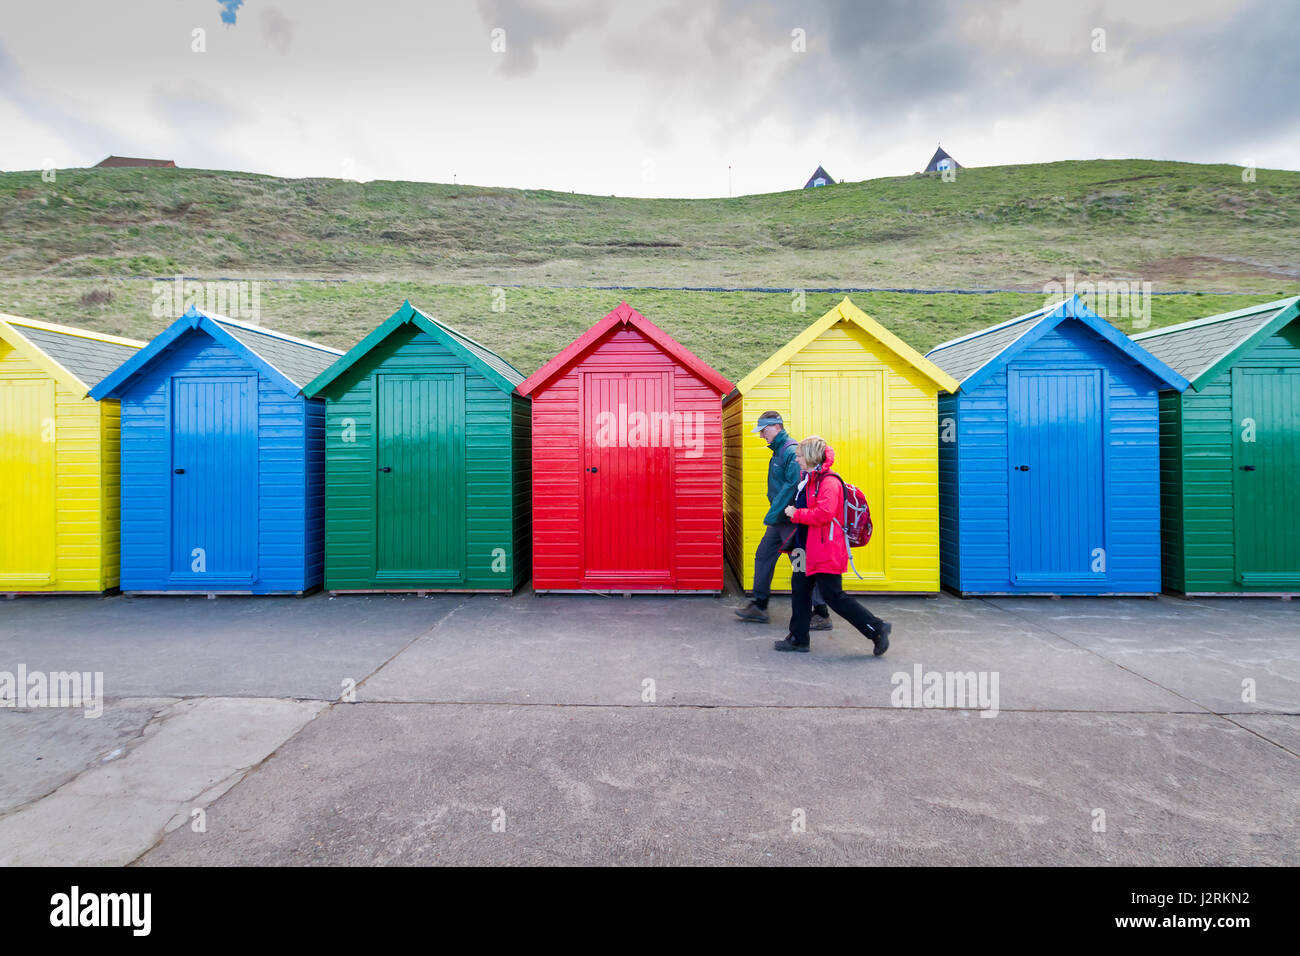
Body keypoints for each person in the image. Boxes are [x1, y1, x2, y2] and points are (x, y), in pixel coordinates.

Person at [775, 436, 891, 655]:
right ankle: (798, 639)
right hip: (804, 548)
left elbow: (825, 514)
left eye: (799, 456)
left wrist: (796, 513)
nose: (797, 459)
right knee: (799, 591)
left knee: (834, 596)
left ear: (810, 456)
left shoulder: (829, 482)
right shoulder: (810, 479)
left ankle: (876, 628)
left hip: (825, 549)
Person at [734, 411, 831, 630]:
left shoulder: (789, 450)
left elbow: (791, 487)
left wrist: (774, 513)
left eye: (763, 431)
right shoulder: (779, 451)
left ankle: (821, 613)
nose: (761, 436)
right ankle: (759, 605)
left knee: (802, 565)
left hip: (791, 519)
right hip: (780, 519)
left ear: (776, 426)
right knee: (764, 555)